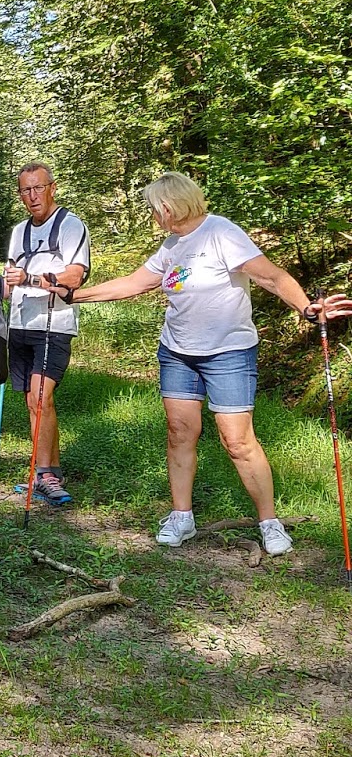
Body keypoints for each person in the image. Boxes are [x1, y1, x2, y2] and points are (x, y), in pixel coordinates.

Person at [47, 172, 313, 555]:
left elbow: (271, 277)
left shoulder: (222, 233)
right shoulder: (172, 246)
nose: (154, 217)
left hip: (228, 353)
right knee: (179, 433)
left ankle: (269, 523)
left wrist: (306, 308)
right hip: (177, 354)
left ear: (168, 207)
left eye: (154, 210)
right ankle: (181, 516)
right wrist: (75, 295)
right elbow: (134, 283)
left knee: (237, 441)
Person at [2, 162, 90, 505]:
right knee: (33, 402)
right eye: (26, 190)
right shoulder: (19, 231)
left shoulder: (70, 225)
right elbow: (10, 275)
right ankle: (49, 470)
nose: (33, 196)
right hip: (20, 323)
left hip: (54, 323)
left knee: (41, 397)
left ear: (52, 188)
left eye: (39, 188)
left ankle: (45, 476)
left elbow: (74, 277)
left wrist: (32, 280)